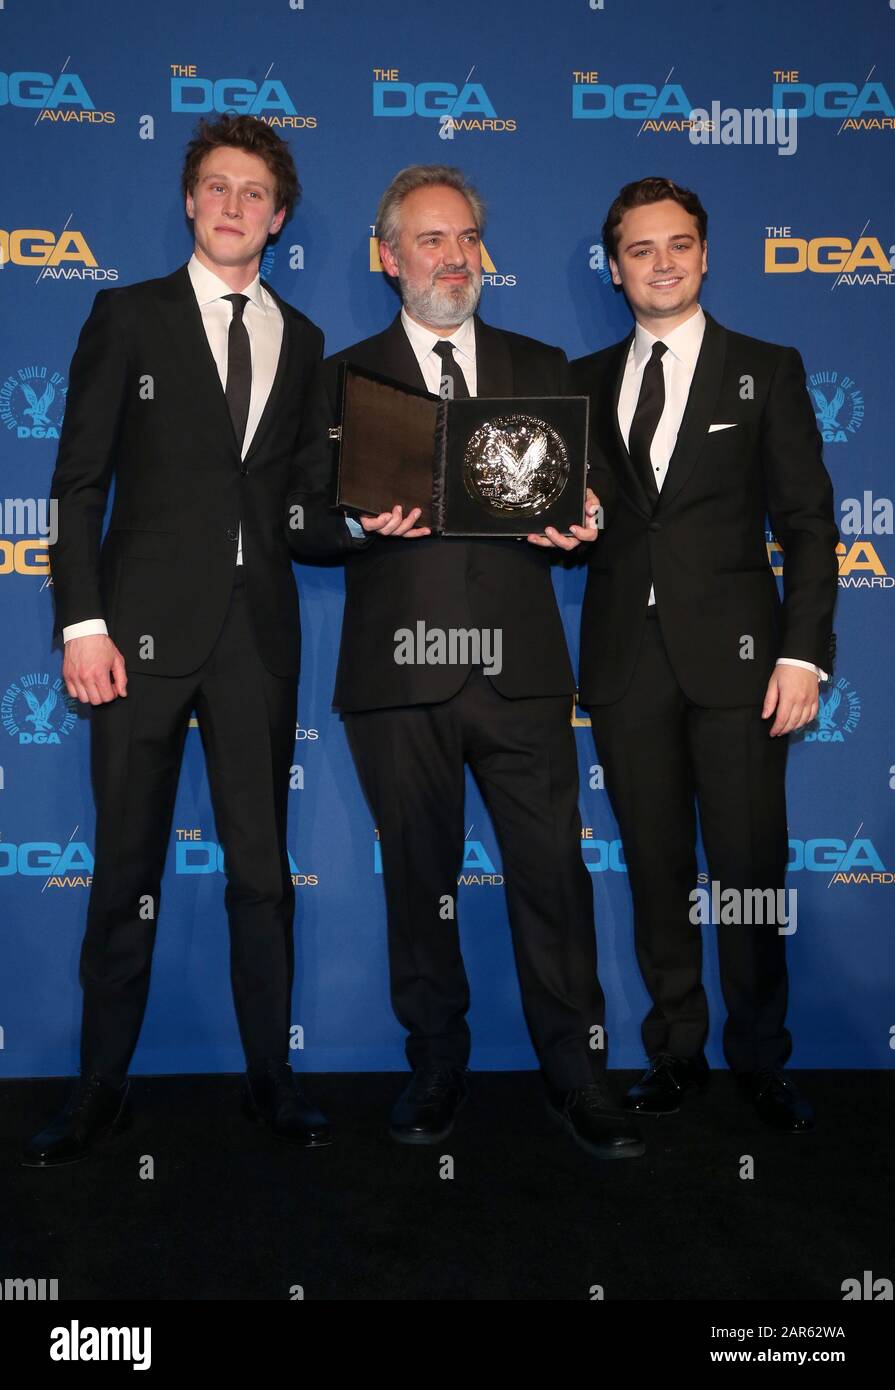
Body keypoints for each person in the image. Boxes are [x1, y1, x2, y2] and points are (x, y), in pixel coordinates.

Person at [288, 164, 643, 1160]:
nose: (453, 257)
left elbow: (602, 498)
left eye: (466, 238)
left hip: (520, 670)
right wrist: (358, 521)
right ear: (388, 257)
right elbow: (295, 519)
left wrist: (587, 521)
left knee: (551, 879)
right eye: (431, 240)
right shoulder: (340, 376)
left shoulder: (543, 361)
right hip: (397, 676)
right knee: (419, 881)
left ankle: (577, 1071)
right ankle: (435, 1060)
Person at [24, 114, 331, 1167]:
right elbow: (76, 482)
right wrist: (82, 620)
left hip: (257, 643)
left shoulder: (307, 341)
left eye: (253, 191)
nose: (234, 203)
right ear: (192, 202)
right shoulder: (129, 316)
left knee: (261, 875)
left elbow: (296, 505)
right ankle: (99, 1088)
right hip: (136, 642)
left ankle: (271, 1082)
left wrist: (372, 519)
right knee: (121, 871)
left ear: (278, 217)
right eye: (216, 185)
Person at [571, 177, 838, 1132]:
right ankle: (674, 1050)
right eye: (640, 250)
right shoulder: (580, 380)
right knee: (654, 870)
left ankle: (760, 1056)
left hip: (739, 666)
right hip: (621, 663)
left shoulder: (765, 368)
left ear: (706, 253)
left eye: (678, 244)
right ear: (614, 269)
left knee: (751, 870)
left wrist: (802, 655)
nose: (662, 262)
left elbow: (808, 525)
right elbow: (577, 519)